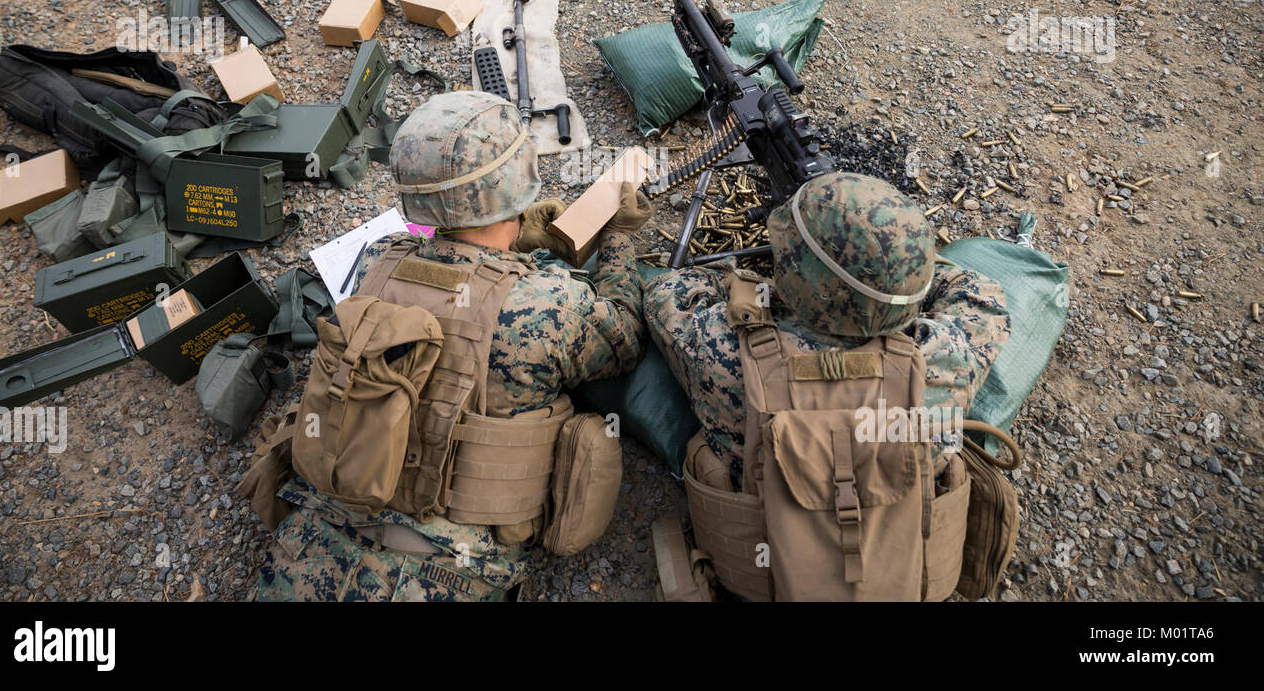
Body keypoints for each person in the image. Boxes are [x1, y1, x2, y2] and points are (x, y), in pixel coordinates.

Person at [256, 91, 651, 601]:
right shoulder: (551, 304)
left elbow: (446, 266)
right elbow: (625, 338)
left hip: (306, 550)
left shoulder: (379, 261)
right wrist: (618, 237)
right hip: (444, 575)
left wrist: (512, 236)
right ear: (518, 182)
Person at [645, 170, 1012, 600]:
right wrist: (891, 269)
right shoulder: (944, 360)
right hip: (904, 576)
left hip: (762, 577)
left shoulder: (722, 351)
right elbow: (980, 294)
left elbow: (666, 292)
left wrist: (749, 284)